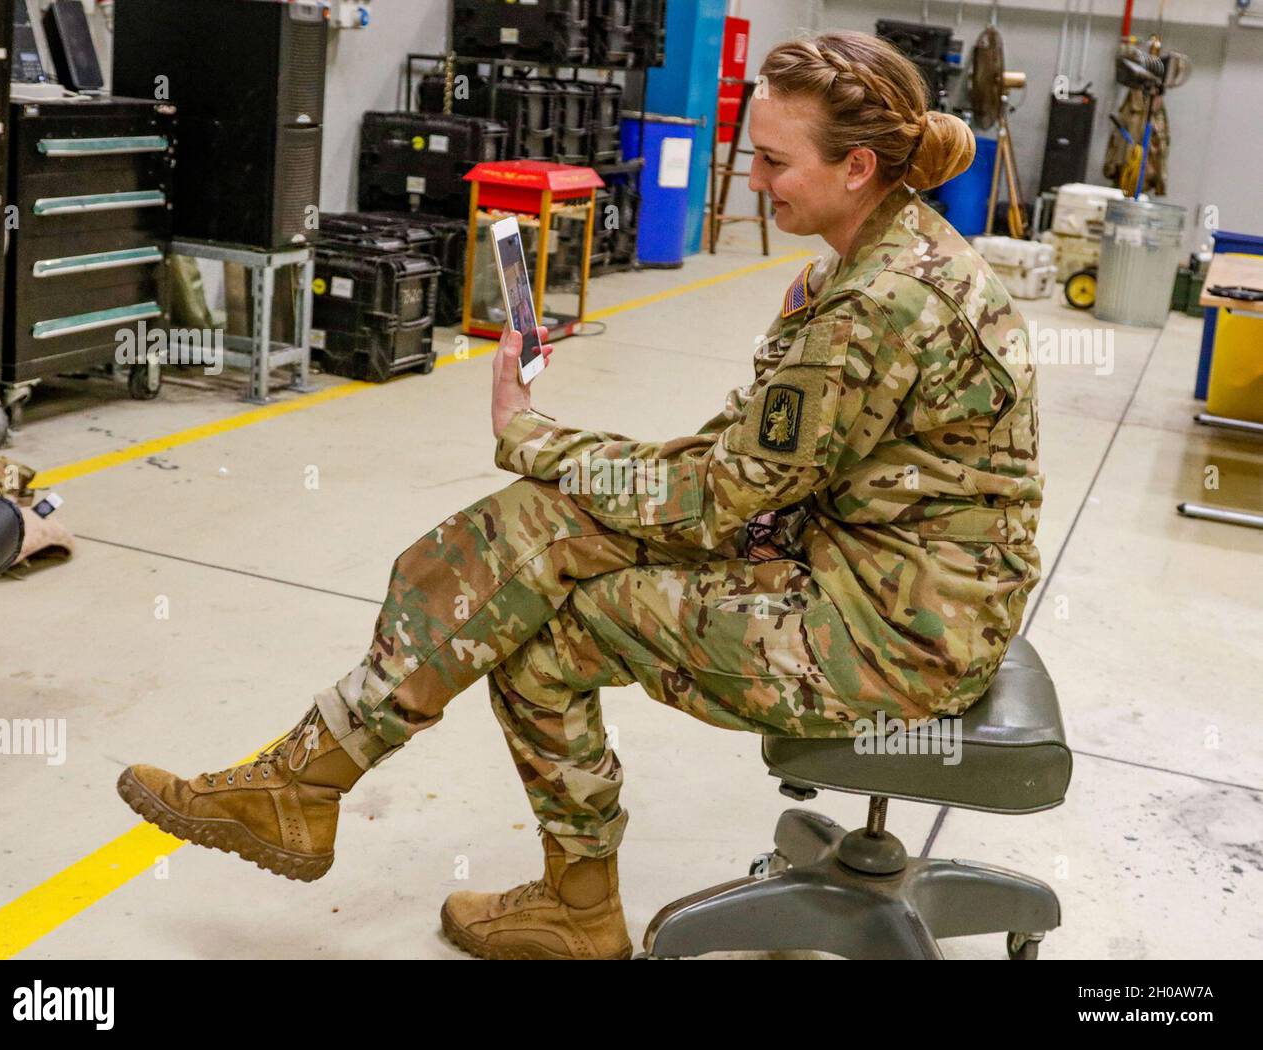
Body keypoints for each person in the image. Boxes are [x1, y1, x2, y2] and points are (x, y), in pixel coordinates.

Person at [117, 30, 1043, 961]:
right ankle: (316, 788)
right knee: (534, 533)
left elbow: (721, 495)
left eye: (772, 161)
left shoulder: (876, 303)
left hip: (895, 634)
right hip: (860, 566)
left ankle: (497, 866)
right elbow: (734, 454)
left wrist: (534, 438)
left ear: (855, 166)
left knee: (544, 636)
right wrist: (561, 458)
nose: (756, 181)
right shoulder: (867, 259)